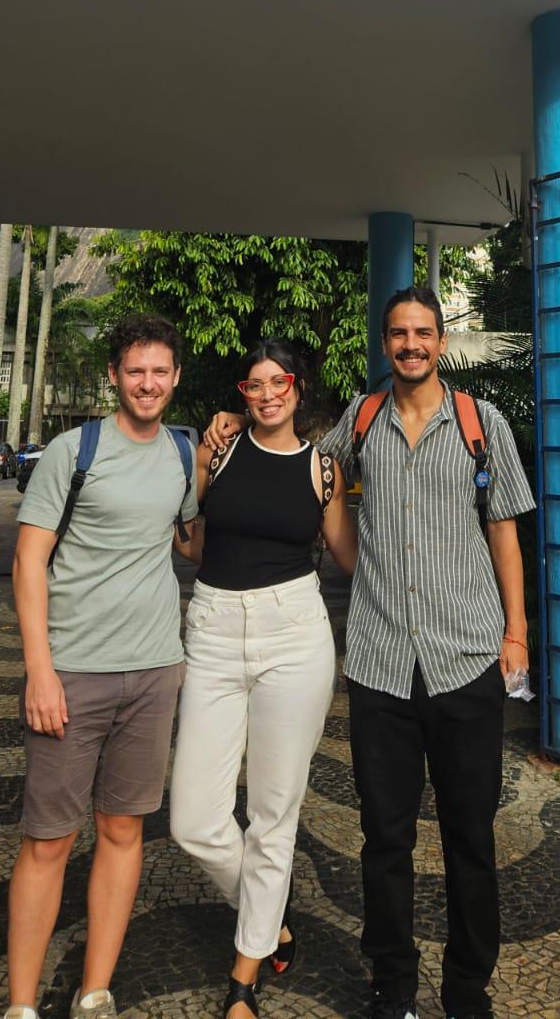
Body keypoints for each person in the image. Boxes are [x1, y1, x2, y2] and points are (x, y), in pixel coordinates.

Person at [206, 287, 534, 1019]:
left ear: (441, 341)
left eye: (422, 333)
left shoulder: (485, 425)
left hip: (467, 657)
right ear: (384, 344)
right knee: (383, 838)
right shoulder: (360, 422)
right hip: (382, 662)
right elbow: (294, 462)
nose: (410, 345)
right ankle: (393, 985)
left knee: (468, 837)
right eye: (397, 334)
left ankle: (467, 988)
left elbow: (505, 529)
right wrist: (233, 421)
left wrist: (517, 631)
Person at [4, 314, 200, 1019]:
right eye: (135, 371)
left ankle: (95, 989)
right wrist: (40, 670)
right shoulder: (73, 449)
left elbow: (185, 544)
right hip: (75, 671)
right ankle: (22, 1004)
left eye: (160, 372)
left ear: (175, 379)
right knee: (49, 839)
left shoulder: (183, 453)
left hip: (155, 671)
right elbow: (29, 559)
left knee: (123, 831)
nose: (147, 383)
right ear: (115, 376)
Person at [170, 341, 357, 1019]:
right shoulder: (218, 451)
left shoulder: (323, 469)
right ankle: (272, 917)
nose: (269, 393)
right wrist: (195, 465)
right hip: (215, 628)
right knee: (194, 818)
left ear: (298, 388)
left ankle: (243, 982)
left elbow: (347, 557)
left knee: (274, 816)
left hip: (294, 633)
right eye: (255, 384)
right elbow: (188, 542)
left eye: (280, 382)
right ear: (243, 393)